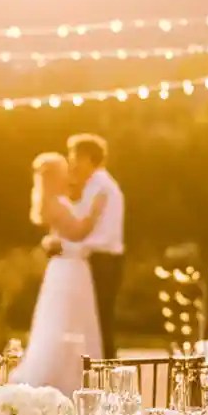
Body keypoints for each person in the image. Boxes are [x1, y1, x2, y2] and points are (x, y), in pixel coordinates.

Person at [9, 152, 105, 394]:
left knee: (70, 323)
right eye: (63, 171)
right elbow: (77, 232)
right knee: (62, 322)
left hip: (69, 267)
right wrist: (96, 211)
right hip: (67, 270)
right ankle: (59, 377)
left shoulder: (56, 201)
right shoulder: (55, 202)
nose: (68, 176)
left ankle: (70, 374)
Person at [57, 133, 124, 360]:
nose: (72, 163)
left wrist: (67, 247)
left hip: (103, 260)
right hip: (98, 259)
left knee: (100, 319)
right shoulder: (94, 185)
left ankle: (105, 366)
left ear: (87, 158)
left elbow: (96, 232)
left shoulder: (101, 187)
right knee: (95, 320)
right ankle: (99, 365)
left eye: (74, 157)